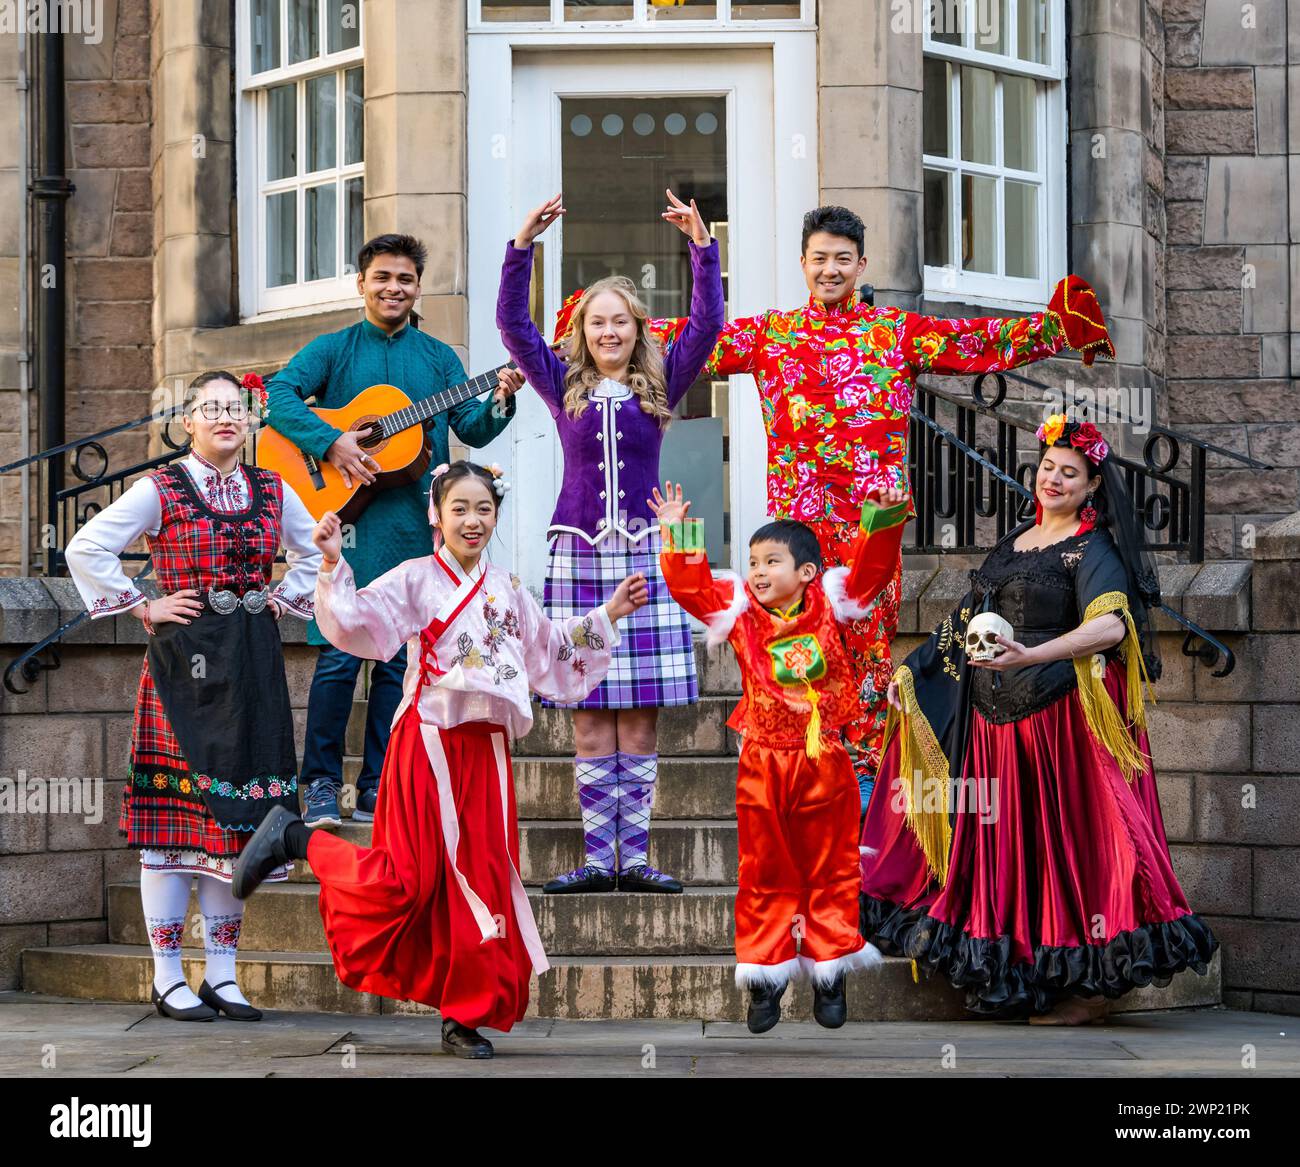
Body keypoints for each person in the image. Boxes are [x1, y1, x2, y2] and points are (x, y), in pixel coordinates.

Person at [621, 205, 1117, 810]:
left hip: (871, 532)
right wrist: (598, 325)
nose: (829, 270)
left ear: (861, 264)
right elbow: (684, 338)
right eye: (819, 259)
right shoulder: (771, 334)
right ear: (803, 264)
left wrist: (1058, 328)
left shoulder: (893, 333)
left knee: (868, 660)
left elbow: (976, 342)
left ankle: (864, 809)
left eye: (842, 259)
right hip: (796, 539)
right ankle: (805, 787)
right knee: (796, 655)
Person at [232, 461, 648, 1058]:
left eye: (483, 509)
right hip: (427, 746)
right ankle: (296, 839)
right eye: (460, 508)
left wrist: (608, 615)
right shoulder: (415, 579)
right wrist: (330, 564)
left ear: (496, 515)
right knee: (404, 882)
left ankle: (463, 1015)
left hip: (486, 752)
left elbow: (549, 652)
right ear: (436, 515)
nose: (472, 521)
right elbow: (357, 623)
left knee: (482, 878)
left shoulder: (508, 588)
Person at [859, 415, 1218, 1023]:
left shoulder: (1092, 547)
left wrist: (1032, 654)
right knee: (1008, 846)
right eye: (1048, 467)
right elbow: (969, 615)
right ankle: (1022, 977)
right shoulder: (1016, 539)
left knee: (1068, 846)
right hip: (993, 724)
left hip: (1058, 722)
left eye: (1069, 473)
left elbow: (1111, 625)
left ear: (1092, 485)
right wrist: (913, 672)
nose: (1053, 479)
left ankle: (1088, 993)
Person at [64, 370, 321, 1022]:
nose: (225, 417)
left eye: (235, 407)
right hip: (184, 669)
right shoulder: (161, 488)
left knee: (237, 828)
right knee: (174, 828)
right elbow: (87, 546)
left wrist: (286, 598)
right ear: (188, 421)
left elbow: (318, 550)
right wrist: (142, 603)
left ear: (250, 419)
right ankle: (168, 976)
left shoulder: (272, 488)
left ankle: (223, 976)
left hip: (252, 668)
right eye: (211, 408)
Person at [497, 191, 724, 894]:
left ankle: (636, 860)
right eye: (597, 321)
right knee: (591, 717)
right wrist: (521, 246)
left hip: (649, 553)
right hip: (578, 555)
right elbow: (512, 325)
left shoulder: (662, 382)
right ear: (582, 331)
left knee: (640, 723)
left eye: (620, 320)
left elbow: (709, 324)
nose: (609, 331)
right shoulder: (559, 383)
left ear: (637, 328)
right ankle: (600, 860)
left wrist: (702, 248)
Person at [265, 233, 524, 830]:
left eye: (405, 279)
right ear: (362, 283)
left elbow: (471, 428)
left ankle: (377, 785)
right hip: (346, 528)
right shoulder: (334, 349)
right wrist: (331, 441)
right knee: (337, 659)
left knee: (394, 665)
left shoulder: (438, 358)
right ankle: (321, 785)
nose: (393, 288)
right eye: (382, 277)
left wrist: (500, 400)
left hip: (410, 525)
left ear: (417, 288)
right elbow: (277, 397)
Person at [651, 479, 910, 1033]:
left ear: (807, 572)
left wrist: (883, 520)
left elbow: (871, 573)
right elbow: (693, 589)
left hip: (824, 760)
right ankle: (765, 979)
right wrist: (678, 532)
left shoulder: (831, 605)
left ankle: (830, 969)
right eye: (752, 562)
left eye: (772, 561)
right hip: (763, 762)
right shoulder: (742, 612)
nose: (758, 572)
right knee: (764, 870)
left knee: (831, 866)